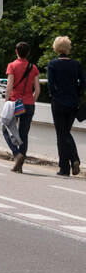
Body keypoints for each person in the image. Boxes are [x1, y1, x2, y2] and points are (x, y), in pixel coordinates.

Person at [46, 36, 85, 178]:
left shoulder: (53, 64)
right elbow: (83, 83)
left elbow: (50, 84)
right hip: (72, 103)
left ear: (56, 48)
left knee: (61, 134)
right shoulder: (76, 64)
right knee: (66, 133)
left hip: (58, 103)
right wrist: (77, 94)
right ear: (68, 47)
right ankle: (73, 161)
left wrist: (55, 95)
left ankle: (66, 167)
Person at [3, 41, 41, 170]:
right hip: (29, 104)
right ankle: (20, 165)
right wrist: (32, 100)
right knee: (23, 134)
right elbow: (38, 89)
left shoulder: (12, 66)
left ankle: (16, 154)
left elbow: (9, 86)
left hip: (15, 103)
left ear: (16, 52)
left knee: (6, 129)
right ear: (28, 53)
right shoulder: (33, 67)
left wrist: (6, 100)